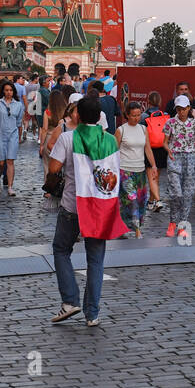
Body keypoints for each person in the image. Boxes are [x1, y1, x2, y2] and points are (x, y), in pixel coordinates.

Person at [47, 96, 121, 326]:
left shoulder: (69, 138)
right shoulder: (110, 139)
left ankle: (70, 300)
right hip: (100, 206)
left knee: (61, 250)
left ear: (77, 115)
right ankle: (93, 313)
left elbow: (53, 168)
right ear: (100, 117)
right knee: (96, 260)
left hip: (73, 204)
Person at [162, 94, 195, 237]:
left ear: (189, 108)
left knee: (187, 194)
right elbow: (164, 141)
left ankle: (182, 225)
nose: (181, 112)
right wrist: (168, 149)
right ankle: (172, 221)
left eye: (184, 108)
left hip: (190, 158)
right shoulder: (170, 123)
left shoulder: (194, 123)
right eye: (179, 109)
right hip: (175, 156)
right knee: (176, 193)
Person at [115, 101, 156, 238]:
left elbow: (148, 148)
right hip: (125, 170)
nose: (136, 118)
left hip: (140, 170)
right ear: (127, 115)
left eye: (138, 115)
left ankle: (123, 226)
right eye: (133, 115)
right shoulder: (121, 130)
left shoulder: (143, 129)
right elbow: (115, 151)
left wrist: (154, 165)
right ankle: (137, 230)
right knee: (130, 199)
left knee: (140, 200)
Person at [0, 81, 25, 197]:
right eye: (6, 90)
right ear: (3, 91)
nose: (9, 92)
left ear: (13, 92)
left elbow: (19, 122)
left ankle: (10, 186)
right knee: (1, 162)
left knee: (10, 161)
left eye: (11, 90)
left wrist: (19, 137)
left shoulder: (18, 105)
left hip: (12, 135)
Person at [142, 91, 170, 211]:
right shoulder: (166, 115)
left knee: (151, 177)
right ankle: (151, 201)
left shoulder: (144, 116)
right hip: (162, 148)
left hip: (150, 148)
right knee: (156, 177)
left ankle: (157, 200)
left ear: (148, 101)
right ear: (159, 101)